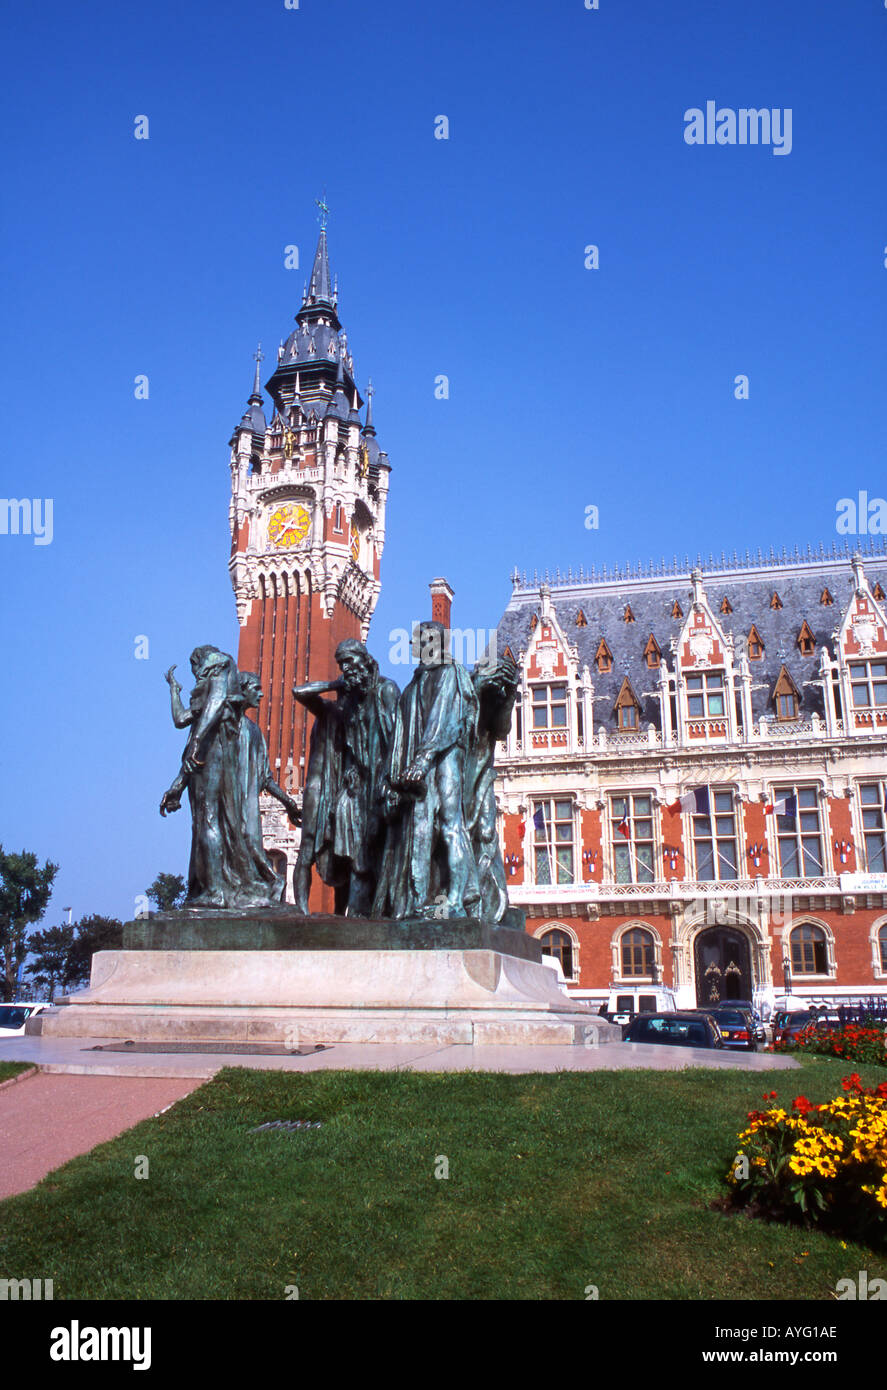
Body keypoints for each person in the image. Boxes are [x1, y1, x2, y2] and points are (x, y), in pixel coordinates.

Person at [372, 621, 481, 920]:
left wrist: (423, 759)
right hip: (421, 768)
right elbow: (398, 740)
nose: (415, 646)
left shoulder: (449, 673)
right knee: (419, 828)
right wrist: (392, 778)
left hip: (444, 760)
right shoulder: (412, 687)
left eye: (421, 641)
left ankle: (457, 900)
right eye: (415, 641)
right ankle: (417, 900)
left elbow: (443, 721)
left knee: (450, 827)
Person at [291, 640, 399, 915]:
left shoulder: (386, 690)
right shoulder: (346, 701)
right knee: (352, 847)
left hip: (381, 783)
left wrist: (390, 781)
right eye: (342, 665)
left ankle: (374, 908)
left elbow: (398, 741)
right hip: (355, 786)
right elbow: (299, 693)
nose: (347, 669)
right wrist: (335, 685)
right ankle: (354, 909)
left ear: (366, 659)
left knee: (375, 846)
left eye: (350, 662)